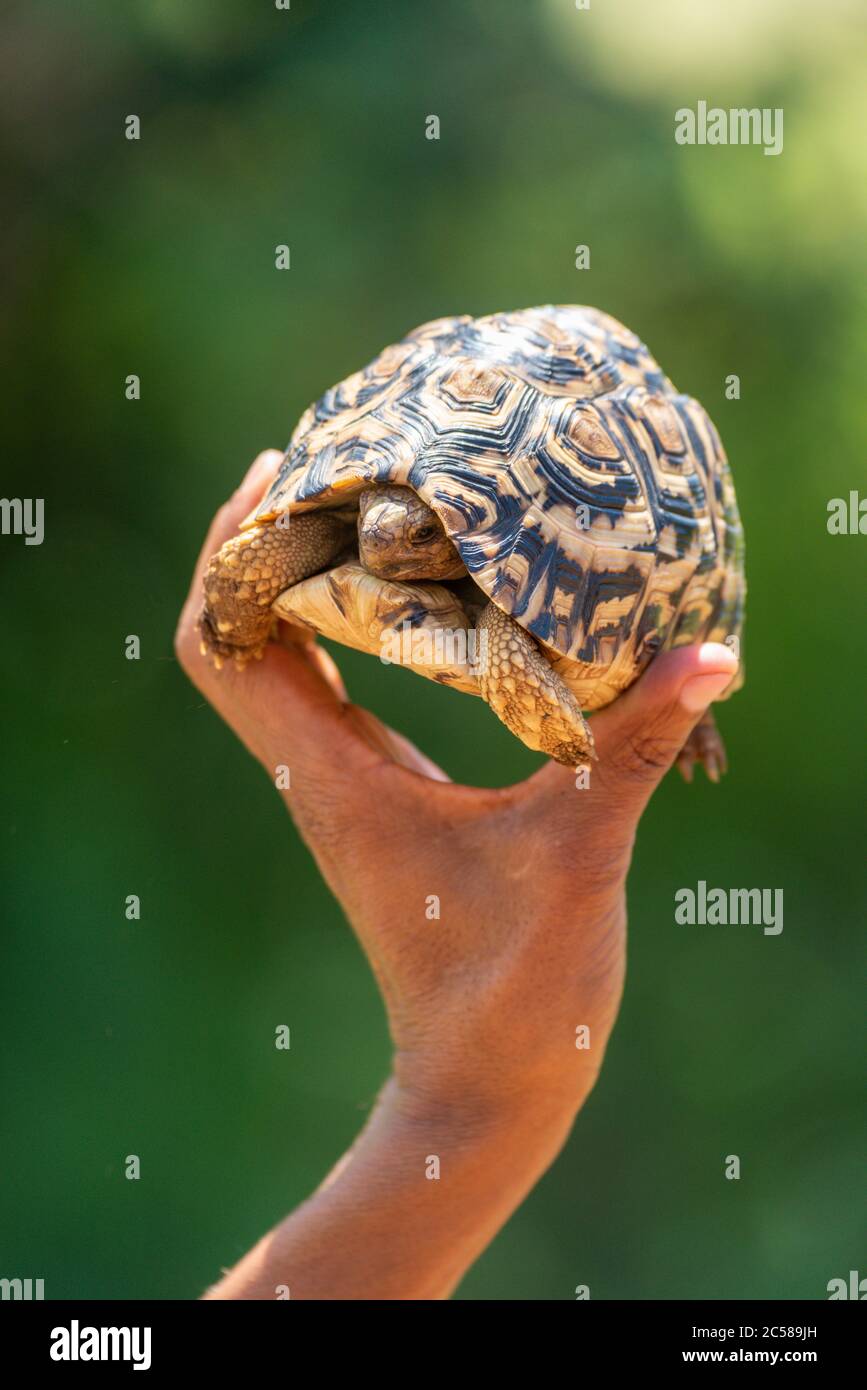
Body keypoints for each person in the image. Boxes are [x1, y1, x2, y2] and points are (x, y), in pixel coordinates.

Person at [175, 450, 739, 1301]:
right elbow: (268, 557)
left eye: (420, 530)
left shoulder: (498, 599)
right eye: (377, 521)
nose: (389, 537)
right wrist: (482, 1110)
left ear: (460, 536)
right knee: (258, 563)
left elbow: (516, 631)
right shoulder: (350, 528)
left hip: (527, 582)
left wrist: (471, 1113)